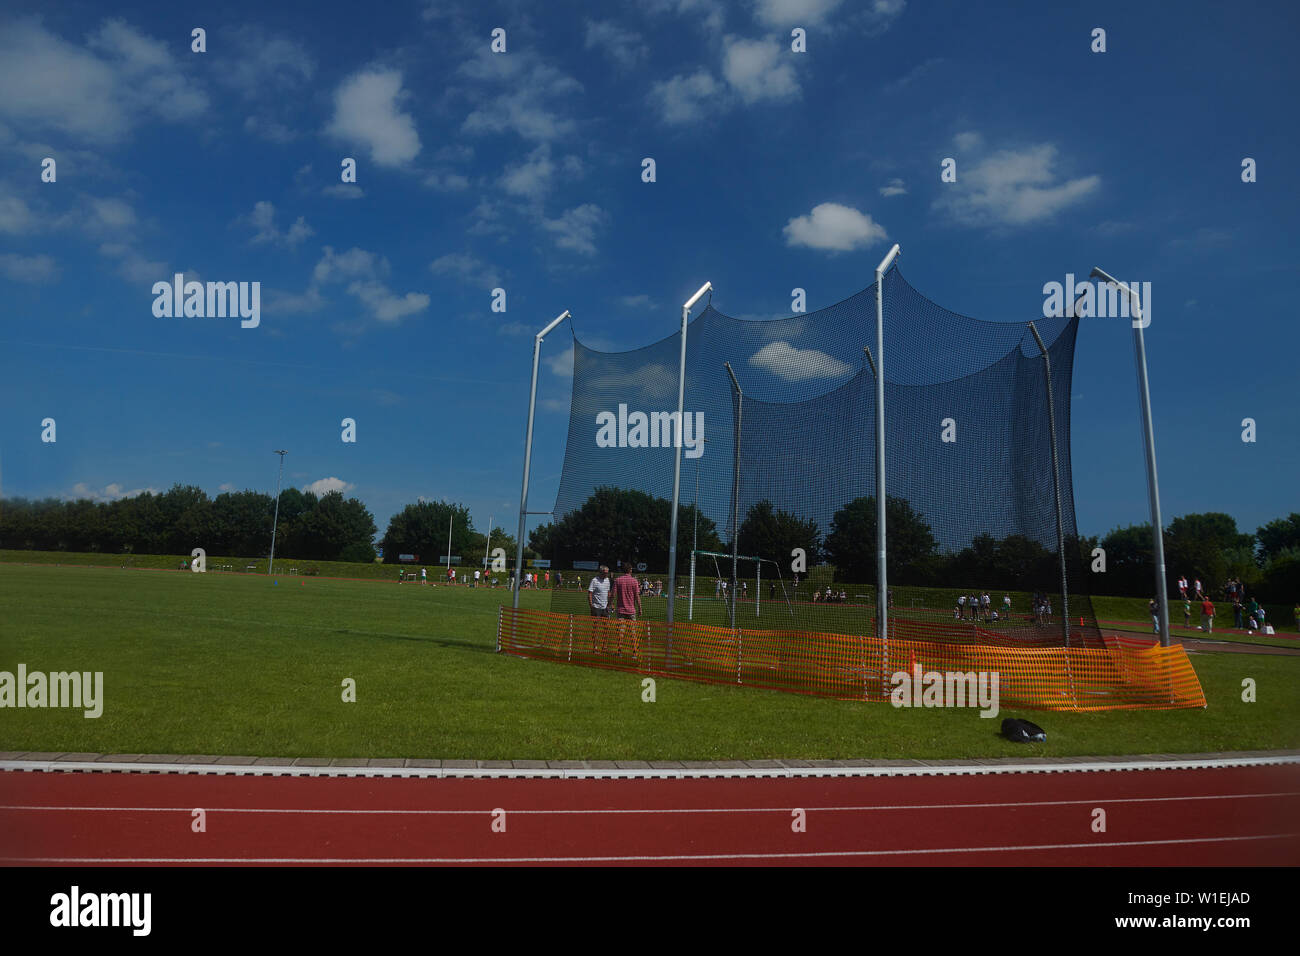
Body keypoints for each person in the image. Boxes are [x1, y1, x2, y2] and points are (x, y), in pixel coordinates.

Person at [612, 562, 643, 658]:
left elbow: (613, 594)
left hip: (621, 610)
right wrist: (640, 608)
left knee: (620, 632)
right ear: (630, 570)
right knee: (633, 632)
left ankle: (619, 652)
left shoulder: (618, 580)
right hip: (631, 610)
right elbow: (637, 596)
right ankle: (634, 653)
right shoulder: (634, 581)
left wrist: (610, 604)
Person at [587, 565, 612, 649]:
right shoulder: (594, 580)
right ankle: (595, 646)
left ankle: (604, 646)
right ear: (600, 572)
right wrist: (591, 605)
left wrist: (610, 604)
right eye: (605, 573)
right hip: (596, 607)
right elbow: (590, 593)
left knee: (606, 627)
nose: (606, 574)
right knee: (596, 628)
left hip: (605, 608)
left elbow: (608, 592)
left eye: (607, 573)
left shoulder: (607, 580)